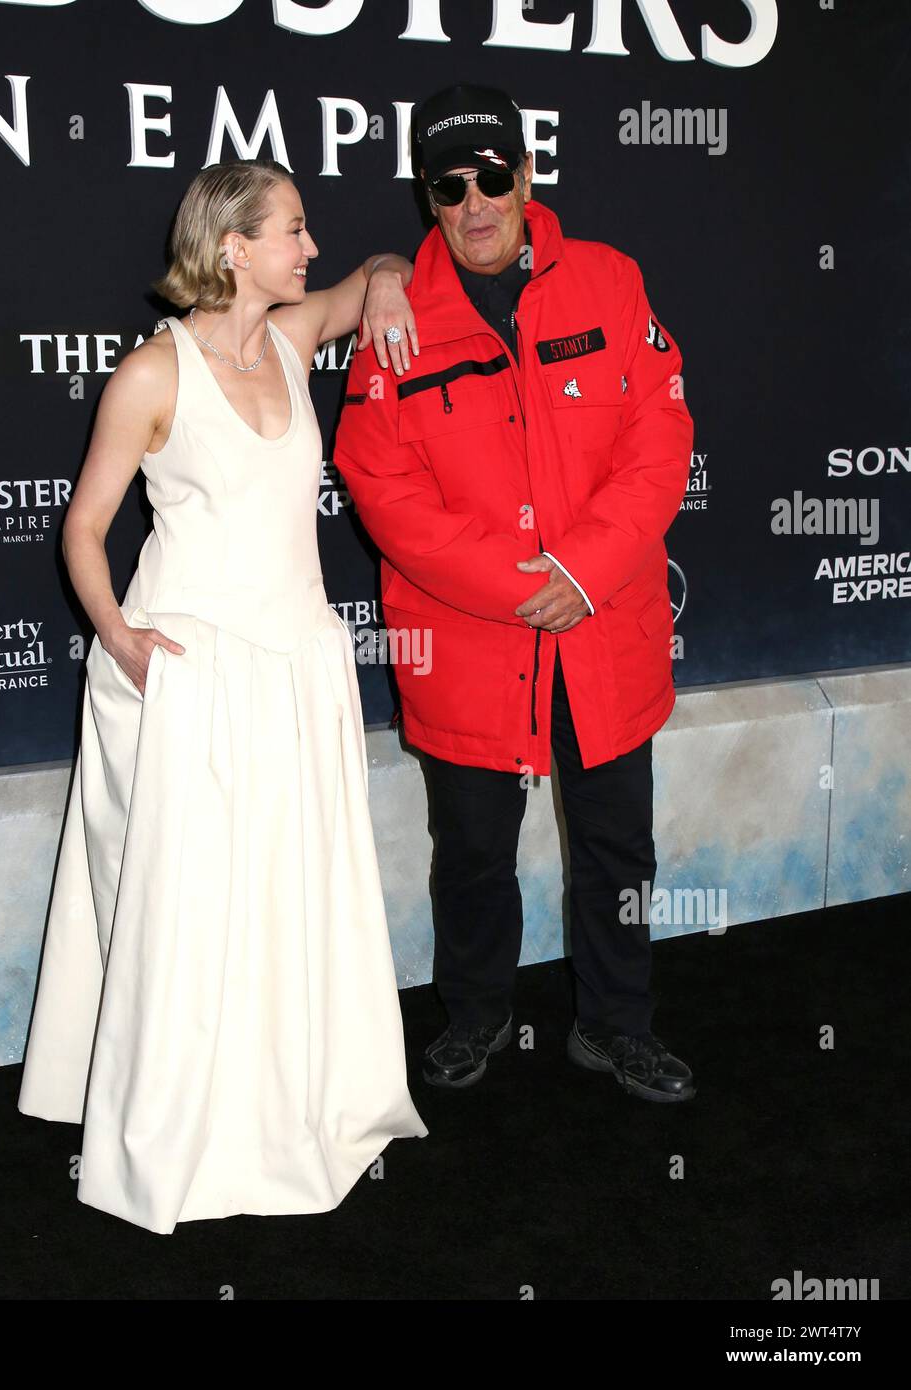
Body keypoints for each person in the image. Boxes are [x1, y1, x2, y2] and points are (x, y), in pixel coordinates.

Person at [17, 158, 428, 1234]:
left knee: (290, 896)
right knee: (194, 911)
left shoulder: (293, 341)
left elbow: (378, 271)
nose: (311, 248)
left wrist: (388, 283)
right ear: (233, 246)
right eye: (293, 230)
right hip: (193, 676)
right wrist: (120, 638)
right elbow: (83, 528)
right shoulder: (152, 375)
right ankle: (180, 1134)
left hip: (294, 666)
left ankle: (283, 1108)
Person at [333, 84, 696, 1103]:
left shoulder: (611, 281)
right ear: (429, 199)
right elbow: (381, 484)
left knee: (617, 847)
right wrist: (517, 587)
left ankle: (617, 1026)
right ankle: (477, 1015)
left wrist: (582, 572)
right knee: (472, 851)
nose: (475, 204)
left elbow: (660, 437)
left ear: (526, 175)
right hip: (469, 644)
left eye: (491, 177)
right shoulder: (395, 319)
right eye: (449, 188)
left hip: (600, 628)